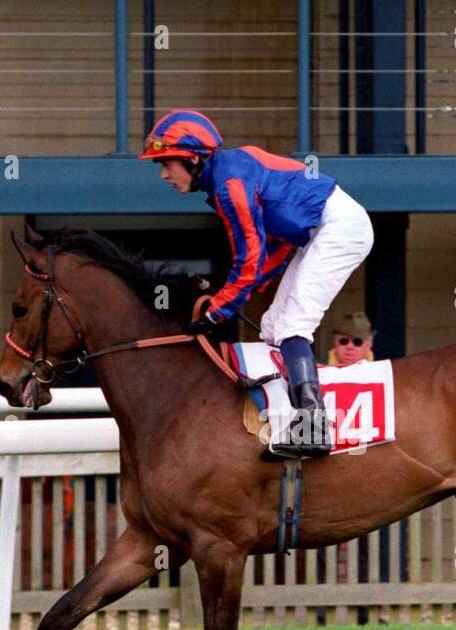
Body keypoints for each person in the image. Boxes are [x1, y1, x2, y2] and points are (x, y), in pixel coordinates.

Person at [139, 109, 374, 457]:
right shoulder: (227, 175)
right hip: (320, 231)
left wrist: (217, 310)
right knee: (273, 325)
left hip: (339, 228)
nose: (163, 175)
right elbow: (271, 245)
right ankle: (285, 418)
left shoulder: (229, 185)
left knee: (293, 325)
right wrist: (232, 295)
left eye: (166, 164)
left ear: (192, 158)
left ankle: (314, 427)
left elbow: (249, 258)